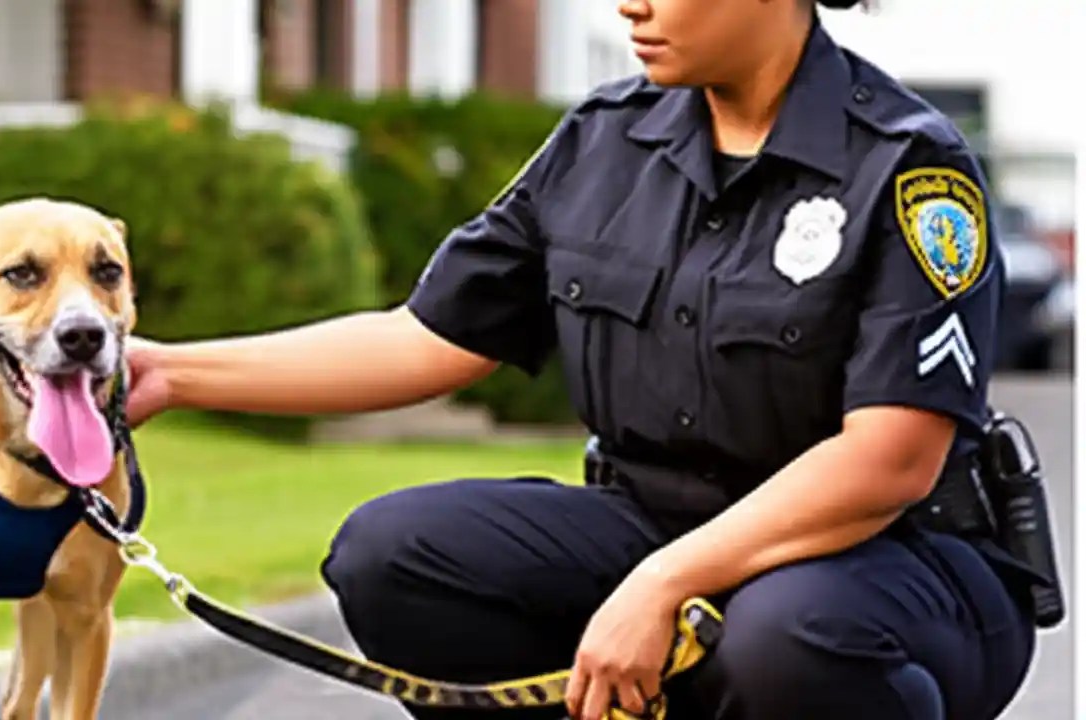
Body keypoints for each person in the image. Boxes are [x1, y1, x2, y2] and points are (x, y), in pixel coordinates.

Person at [123, 0, 1043, 718]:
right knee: (393, 554)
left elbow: (890, 458)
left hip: (892, 563)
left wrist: (665, 582)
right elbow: (423, 337)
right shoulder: (603, 142)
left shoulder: (909, 166)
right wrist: (170, 373)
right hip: (652, 523)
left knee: (784, 641)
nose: (629, 10)